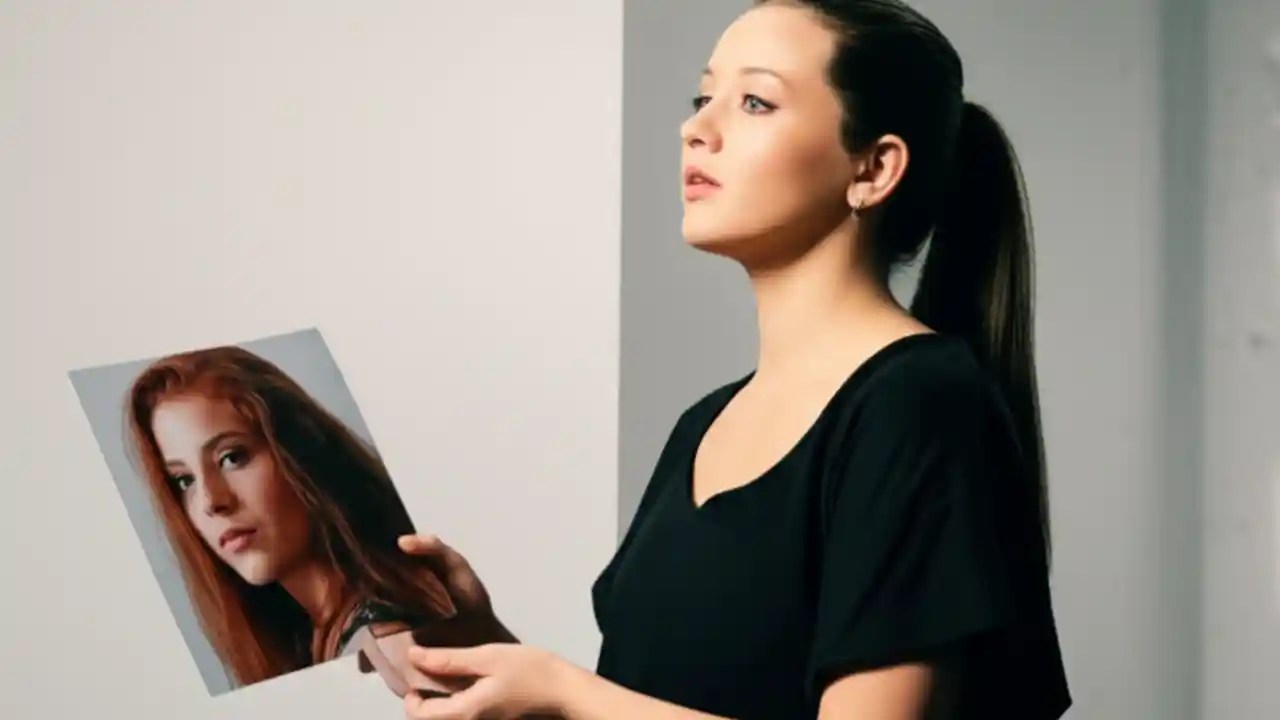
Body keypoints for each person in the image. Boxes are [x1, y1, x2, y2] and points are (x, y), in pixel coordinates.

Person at [383, 1, 1072, 717]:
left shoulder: (919, 402)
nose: (695, 128)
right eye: (701, 97)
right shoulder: (703, 425)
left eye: (754, 101)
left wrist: (565, 693)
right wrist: (482, 646)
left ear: (873, 167)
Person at [124, 345, 505, 688]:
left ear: (301, 451)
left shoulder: (380, 639)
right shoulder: (317, 639)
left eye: (232, 457)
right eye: (184, 480)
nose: (210, 500)